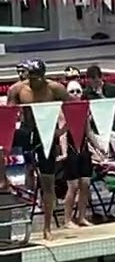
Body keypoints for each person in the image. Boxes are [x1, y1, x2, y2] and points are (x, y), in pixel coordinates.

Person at [5, 60, 70, 239]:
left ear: (43, 76)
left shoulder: (55, 89)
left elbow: (75, 110)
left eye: (36, 78)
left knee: (47, 183)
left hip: (47, 134)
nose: (32, 81)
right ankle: (3, 181)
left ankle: (47, 228)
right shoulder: (17, 89)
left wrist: (61, 131)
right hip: (27, 131)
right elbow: (8, 117)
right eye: (30, 77)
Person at [57, 81, 102, 228]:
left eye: (78, 91)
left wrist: (99, 148)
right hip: (71, 150)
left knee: (85, 184)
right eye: (72, 92)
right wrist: (64, 152)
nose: (75, 94)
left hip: (83, 149)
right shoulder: (63, 110)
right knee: (73, 186)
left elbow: (88, 132)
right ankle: (67, 220)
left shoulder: (84, 108)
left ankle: (81, 217)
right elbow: (62, 134)